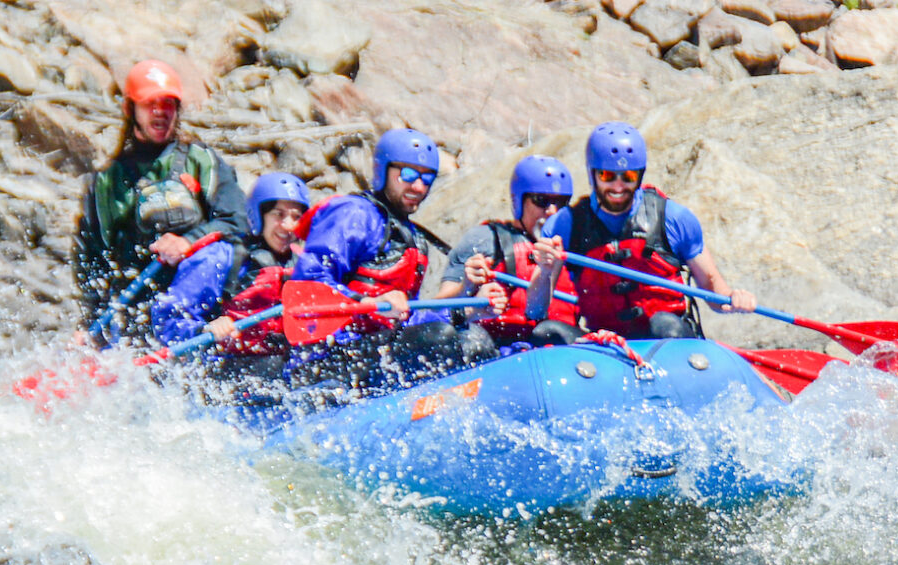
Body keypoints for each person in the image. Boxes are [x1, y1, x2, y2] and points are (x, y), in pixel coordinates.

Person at [289, 127, 497, 387]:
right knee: (438, 337)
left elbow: (410, 319)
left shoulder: (410, 236)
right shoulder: (354, 214)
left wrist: (466, 311)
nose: (418, 186)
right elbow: (307, 285)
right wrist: (369, 302)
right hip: (327, 355)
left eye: (427, 178)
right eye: (408, 174)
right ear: (382, 171)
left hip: (377, 349)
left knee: (476, 340)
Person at [73, 59, 249, 346]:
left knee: (223, 250)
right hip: (139, 301)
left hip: (197, 297)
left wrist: (188, 241)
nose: (160, 112)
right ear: (129, 109)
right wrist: (90, 323)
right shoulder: (106, 182)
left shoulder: (202, 161)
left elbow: (237, 222)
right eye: (149, 104)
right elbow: (92, 258)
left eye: (168, 103)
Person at [535, 121, 755, 340]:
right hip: (605, 345)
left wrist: (732, 298)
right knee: (546, 332)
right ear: (592, 174)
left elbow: (712, 288)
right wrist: (544, 271)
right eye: (607, 176)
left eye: (628, 176)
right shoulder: (564, 225)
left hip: (667, 338)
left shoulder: (673, 218)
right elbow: (535, 309)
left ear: (640, 175)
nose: (618, 186)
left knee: (664, 325)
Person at [148, 172, 311, 382]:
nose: (288, 226)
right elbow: (165, 320)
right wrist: (205, 329)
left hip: (283, 368)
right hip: (223, 371)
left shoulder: (304, 264)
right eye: (278, 215)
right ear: (259, 215)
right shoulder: (220, 257)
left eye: (296, 217)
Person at [435, 155, 579, 349]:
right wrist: (466, 290)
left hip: (560, 347)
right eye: (541, 201)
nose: (553, 211)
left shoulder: (576, 247)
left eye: (561, 202)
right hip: (501, 348)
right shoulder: (485, 238)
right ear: (517, 201)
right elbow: (436, 310)